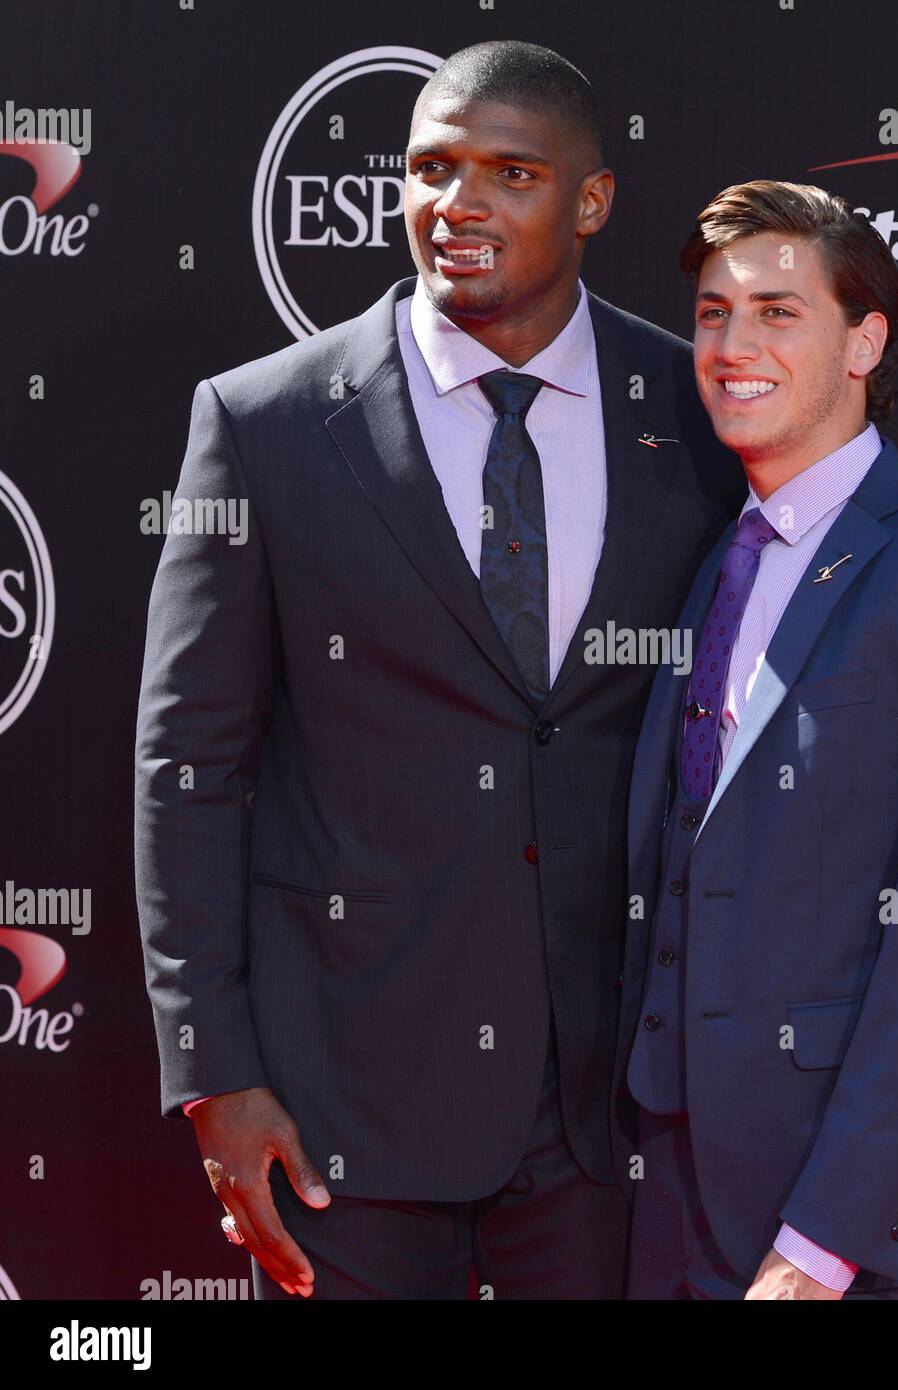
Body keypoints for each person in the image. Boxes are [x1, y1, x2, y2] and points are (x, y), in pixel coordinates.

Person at [134, 40, 741, 1300]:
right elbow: (186, 766)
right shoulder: (264, 423)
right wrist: (214, 1076)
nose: (455, 205)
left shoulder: (692, 411)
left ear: (590, 202)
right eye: (428, 169)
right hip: (338, 1107)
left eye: (507, 172)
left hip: (605, 1114)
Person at [613, 179, 898, 1299]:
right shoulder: (716, 558)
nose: (728, 342)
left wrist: (821, 1244)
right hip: (652, 1198)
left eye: (775, 311)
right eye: (711, 312)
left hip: (813, 1225)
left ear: (864, 342)